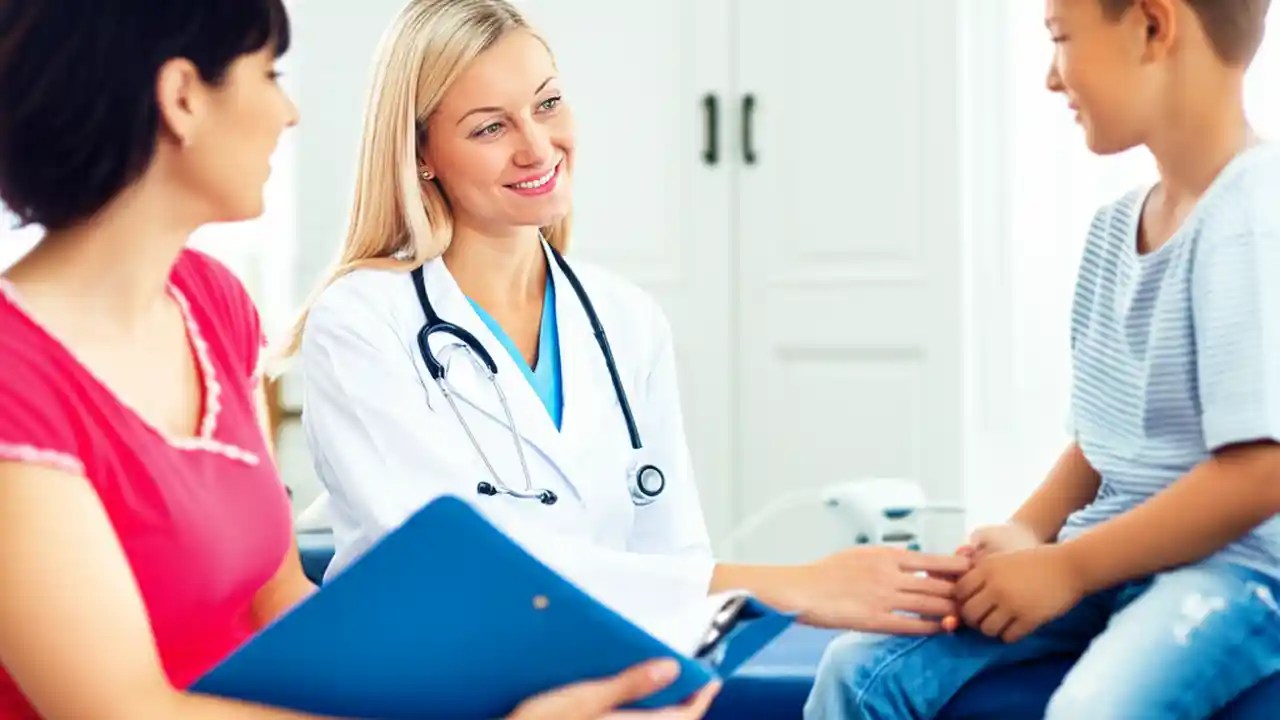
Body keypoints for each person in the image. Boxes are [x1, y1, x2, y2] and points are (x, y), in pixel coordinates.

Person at [0, 2, 718, 718]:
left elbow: (281, 603)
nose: (289, 112)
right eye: (269, 73)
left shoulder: (212, 307)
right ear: (183, 98)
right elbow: (120, 711)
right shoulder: (15, 376)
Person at [288, 0, 971, 655]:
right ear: (422, 154)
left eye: (547, 104)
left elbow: (673, 560)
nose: (537, 147)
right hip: (430, 683)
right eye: (490, 127)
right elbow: (453, 573)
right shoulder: (362, 322)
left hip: (604, 674)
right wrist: (788, 585)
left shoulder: (626, 320)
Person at [803, 0, 1280, 717]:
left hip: (1234, 573)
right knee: (860, 670)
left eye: (1060, 40)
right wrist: (1028, 533)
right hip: (1112, 560)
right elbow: (1103, 440)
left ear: (1153, 26)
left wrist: (1067, 567)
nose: (1053, 79)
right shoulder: (1114, 229)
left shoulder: (1253, 216)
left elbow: (1261, 471)